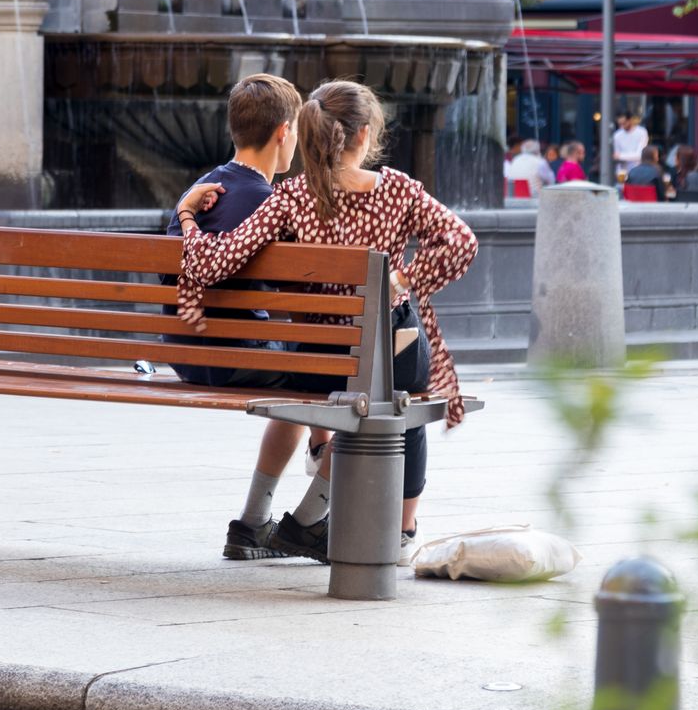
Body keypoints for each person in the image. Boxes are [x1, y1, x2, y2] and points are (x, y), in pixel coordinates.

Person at [175, 80, 478, 566]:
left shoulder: (291, 196)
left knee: (369, 390)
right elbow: (462, 243)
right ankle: (347, 524)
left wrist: (188, 217)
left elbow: (213, 263)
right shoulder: (398, 190)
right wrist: (400, 281)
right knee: (403, 396)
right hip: (384, 361)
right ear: (364, 137)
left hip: (315, 364)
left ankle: (284, 519)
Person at [164, 73, 333, 564]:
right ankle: (306, 521)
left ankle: (252, 526)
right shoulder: (270, 204)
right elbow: (310, 301)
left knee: (305, 376)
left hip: (188, 354)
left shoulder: (198, 193)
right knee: (364, 385)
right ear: (284, 132)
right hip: (239, 359)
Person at [612, 112, 649, 178]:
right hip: (623, 173)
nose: (622, 126)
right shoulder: (617, 135)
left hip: (638, 171)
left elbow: (640, 155)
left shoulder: (642, 132)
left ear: (630, 120)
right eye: (620, 124)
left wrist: (620, 156)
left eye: (624, 123)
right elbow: (616, 156)